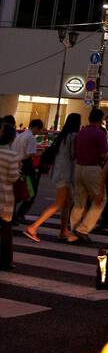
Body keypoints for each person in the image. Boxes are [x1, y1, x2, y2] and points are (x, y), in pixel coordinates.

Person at [23, 113, 82, 243]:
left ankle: (63, 230)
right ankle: (33, 227)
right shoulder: (73, 136)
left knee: (67, 202)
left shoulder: (62, 136)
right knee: (59, 203)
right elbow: (74, 155)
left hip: (59, 172)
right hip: (66, 174)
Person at [67, 107, 108, 242]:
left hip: (78, 167)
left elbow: (74, 152)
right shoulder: (99, 134)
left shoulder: (81, 132)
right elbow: (104, 155)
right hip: (93, 168)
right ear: (101, 120)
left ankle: (74, 230)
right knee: (100, 199)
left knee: (79, 201)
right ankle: (83, 229)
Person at [11, 117, 44, 223]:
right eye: (39, 130)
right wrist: (41, 153)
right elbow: (31, 153)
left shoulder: (21, 135)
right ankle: (20, 214)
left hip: (16, 163)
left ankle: (13, 215)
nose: (39, 132)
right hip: (26, 165)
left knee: (17, 190)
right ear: (36, 128)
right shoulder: (31, 138)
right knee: (31, 191)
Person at [0, 122, 21, 269]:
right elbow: (13, 177)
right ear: (11, 139)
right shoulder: (12, 155)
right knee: (5, 233)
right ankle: (5, 262)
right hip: (4, 199)